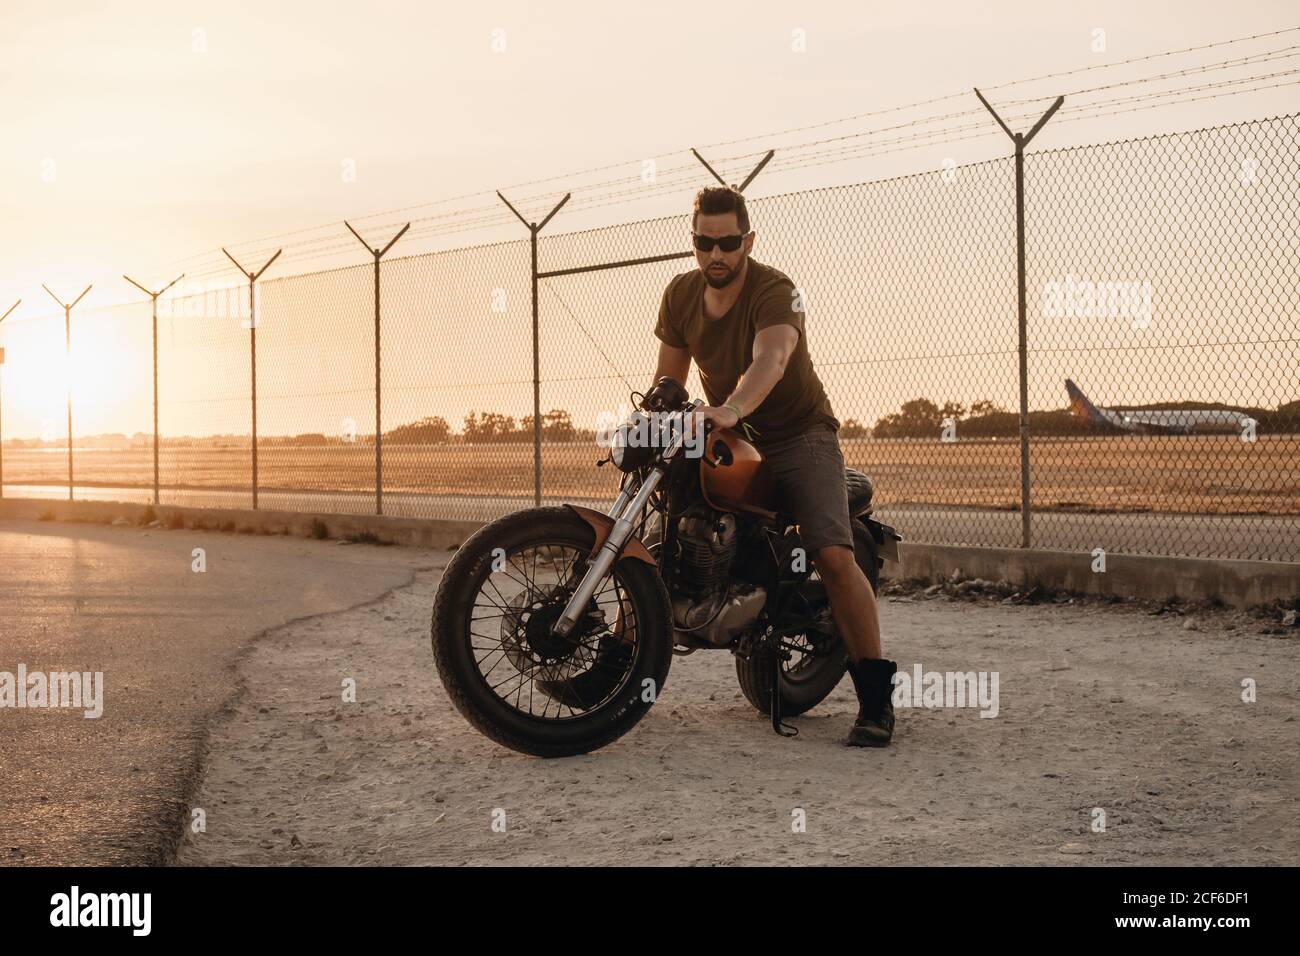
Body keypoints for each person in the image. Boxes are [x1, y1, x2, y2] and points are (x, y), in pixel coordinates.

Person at [652, 185, 896, 746]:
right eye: (704, 243)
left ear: (748, 240)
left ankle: (876, 702)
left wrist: (731, 408)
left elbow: (773, 358)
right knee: (662, 516)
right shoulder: (680, 294)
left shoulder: (775, 289)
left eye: (728, 243)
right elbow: (669, 382)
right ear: (693, 242)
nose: (717, 255)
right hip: (728, 430)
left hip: (796, 433)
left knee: (832, 554)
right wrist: (657, 416)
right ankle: (620, 660)